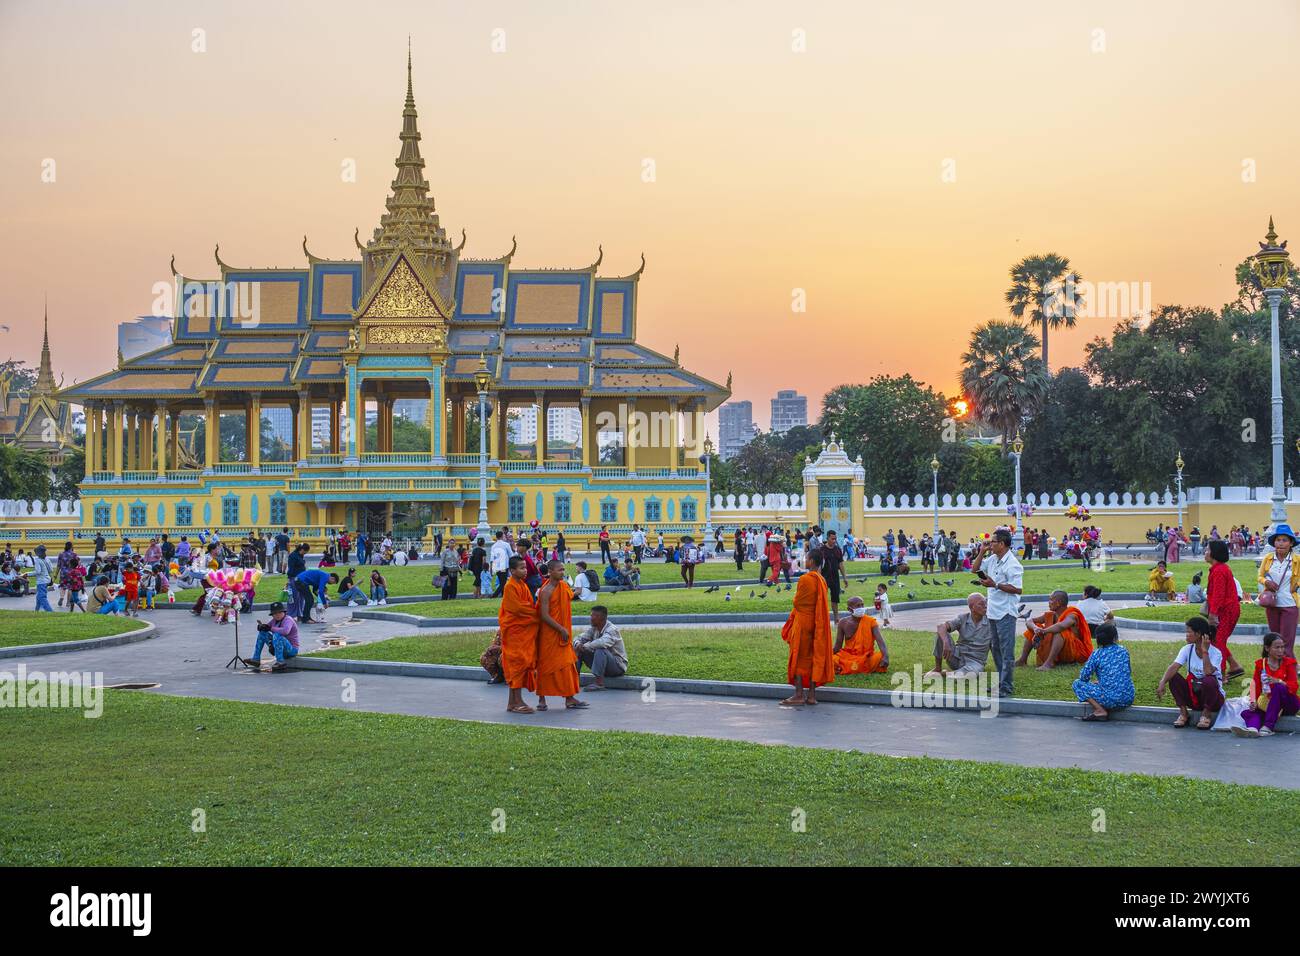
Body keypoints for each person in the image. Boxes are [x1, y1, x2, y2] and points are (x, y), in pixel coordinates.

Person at [970, 529, 1023, 698]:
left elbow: (1017, 589)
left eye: (993, 542)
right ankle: (1001, 682)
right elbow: (974, 569)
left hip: (1006, 612)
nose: (990, 544)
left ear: (1002, 544)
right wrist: (981, 552)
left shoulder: (1013, 564)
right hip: (993, 611)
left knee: (1006, 650)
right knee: (996, 648)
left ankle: (1006, 686)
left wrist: (995, 585)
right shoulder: (993, 559)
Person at [779, 550, 834, 706]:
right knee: (813, 657)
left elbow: (797, 602)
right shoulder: (822, 580)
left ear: (811, 561)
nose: (805, 560)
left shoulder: (805, 579)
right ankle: (811, 695)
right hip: (816, 623)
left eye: (807, 558)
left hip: (803, 622)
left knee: (798, 657)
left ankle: (798, 694)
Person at [535, 559, 587, 710]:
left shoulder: (563, 586)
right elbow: (544, 615)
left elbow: (570, 596)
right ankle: (542, 699)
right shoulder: (545, 591)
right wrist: (560, 629)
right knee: (545, 665)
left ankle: (569, 698)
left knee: (567, 664)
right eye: (560, 570)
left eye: (564, 570)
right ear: (550, 572)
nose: (563, 572)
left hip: (563, 634)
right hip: (550, 634)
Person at [1156, 616, 1225, 729]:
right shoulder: (1187, 649)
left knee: (1209, 680)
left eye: (1189, 632)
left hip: (1213, 700)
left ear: (1198, 634)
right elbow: (1174, 666)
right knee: (1173, 677)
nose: (1186, 635)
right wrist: (1162, 682)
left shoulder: (1215, 653)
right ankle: (1184, 713)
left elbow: (1208, 672)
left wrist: (1204, 652)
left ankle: (1206, 715)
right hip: (1194, 696)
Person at [1231, 632, 1300, 737]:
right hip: (1269, 702)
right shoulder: (1260, 664)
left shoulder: (1289, 663)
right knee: (1251, 712)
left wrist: (1279, 681)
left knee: (1278, 687)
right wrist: (1253, 701)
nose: (1281, 651)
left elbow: (1294, 686)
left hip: (1289, 703)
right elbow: (1255, 685)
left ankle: (1268, 726)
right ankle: (1252, 729)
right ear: (1267, 648)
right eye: (1277, 647)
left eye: (1282, 647)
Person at [496, 556, 539, 713]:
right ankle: (516, 702)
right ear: (512, 570)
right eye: (521, 568)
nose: (525, 570)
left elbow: (526, 605)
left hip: (522, 632)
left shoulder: (522, 585)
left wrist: (532, 609)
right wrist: (536, 612)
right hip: (515, 632)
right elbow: (517, 609)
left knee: (521, 665)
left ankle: (513, 703)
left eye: (525, 567)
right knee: (517, 665)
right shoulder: (510, 586)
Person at [1072, 621, 1135, 720]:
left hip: (1111, 699)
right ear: (1114, 637)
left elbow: (1083, 677)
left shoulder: (1097, 654)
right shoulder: (1123, 650)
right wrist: (1102, 682)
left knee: (1077, 684)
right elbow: (1127, 672)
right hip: (1128, 697)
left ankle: (1100, 710)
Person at [1017, 589, 1093, 670]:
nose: (1049, 602)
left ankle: (1049, 663)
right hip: (1059, 651)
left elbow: (1061, 626)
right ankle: (1022, 660)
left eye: (1051, 599)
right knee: (1033, 629)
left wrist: (1043, 631)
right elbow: (1029, 621)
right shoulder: (1051, 615)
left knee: (1061, 632)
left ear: (1058, 602)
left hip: (1075, 653)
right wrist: (1036, 629)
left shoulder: (1072, 615)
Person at [1257, 523, 1299, 658]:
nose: (1280, 543)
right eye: (1278, 540)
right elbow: (1260, 576)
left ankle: (1289, 672)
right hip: (1272, 604)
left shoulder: (1296, 560)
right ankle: (1275, 669)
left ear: (1291, 543)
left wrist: (1297, 584)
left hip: (1289, 605)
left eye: (1284, 540)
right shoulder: (1268, 558)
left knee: (1286, 643)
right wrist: (1266, 582)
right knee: (1274, 642)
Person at [928, 592, 994, 677]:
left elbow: (995, 647)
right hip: (957, 657)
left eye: (986, 603)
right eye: (981, 604)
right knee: (940, 634)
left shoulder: (991, 622)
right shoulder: (963, 618)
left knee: (970, 675)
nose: (985, 606)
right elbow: (941, 627)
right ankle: (938, 668)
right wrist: (946, 642)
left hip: (975, 662)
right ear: (972, 607)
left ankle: (944, 674)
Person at [1205, 539, 1244, 679]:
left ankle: (1220, 674)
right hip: (1225, 610)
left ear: (1214, 553)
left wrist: (1213, 613)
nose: (1205, 553)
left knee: (1218, 641)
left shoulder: (1220, 570)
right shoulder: (1218, 569)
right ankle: (1234, 666)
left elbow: (1219, 594)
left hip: (1226, 611)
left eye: (1208, 550)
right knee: (1216, 639)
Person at [573, 605, 628, 688]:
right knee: (578, 648)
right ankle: (574, 680)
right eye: (591, 615)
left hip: (617, 667)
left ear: (603, 618)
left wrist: (584, 646)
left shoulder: (612, 629)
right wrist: (578, 644)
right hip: (602, 664)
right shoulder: (594, 628)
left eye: (595, 616)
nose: (592, 618)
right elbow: (578, 638)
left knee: (601, 649)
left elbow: (602, 643)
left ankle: (599, 683)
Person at [832, 596, 889, 675]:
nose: (861, 608)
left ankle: (846, 668)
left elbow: (880, 641)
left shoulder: (871, 621)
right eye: (858, 606)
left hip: (866, 656)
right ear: (849, 609)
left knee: (879, 657)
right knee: (832, 660)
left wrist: (885, 656)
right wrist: (826, 656)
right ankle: (856, 668)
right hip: (848, 656)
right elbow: (837, 647)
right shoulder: (843, 622)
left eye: (862, 605)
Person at [243, 602, 299, 672]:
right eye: (275, 613)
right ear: (272, 615)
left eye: (279, 612)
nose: (277, 615)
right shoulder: (274, 621)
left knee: (277, 635)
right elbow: (267, 627)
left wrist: (270, 628)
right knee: (262, 633)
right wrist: (262, 627)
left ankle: (280, 662)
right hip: (280, 647)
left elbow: (285, 631)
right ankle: (256, 659)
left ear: (284, 612)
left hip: (292, 650)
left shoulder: (288, 619)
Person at [818, 530, 849, 621]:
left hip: (835, 578)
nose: (834, 541)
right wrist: (819, 578)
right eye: (832, 539)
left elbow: (841, 564)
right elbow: (819, 565)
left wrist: (844, 578)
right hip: (824, 577)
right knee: (822, 599)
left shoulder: (837, 550)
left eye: (835, 539)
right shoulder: (822, 550)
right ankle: (822, 618)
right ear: (827, 538)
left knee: (835, 599)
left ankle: (836, 618)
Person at [489, 530, 513, 598]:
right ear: (502, 536)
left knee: (502, 581)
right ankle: (494, 596)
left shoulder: (493, 546)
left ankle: (503, 595)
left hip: (497, 566)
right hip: (504, 566)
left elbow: (491, 559)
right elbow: (511, 555)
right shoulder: (506, 544)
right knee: (503, 582)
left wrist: (491, 568)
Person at [31, 544, 54, 613]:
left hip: (41, 581)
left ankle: (49, 611)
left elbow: (38, 572)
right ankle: (37, 611)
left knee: (42, 597)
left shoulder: (37, 560)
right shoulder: (46, 559)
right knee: (39, 596)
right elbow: (51, 570)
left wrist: (27, 574)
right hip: (47, 580)